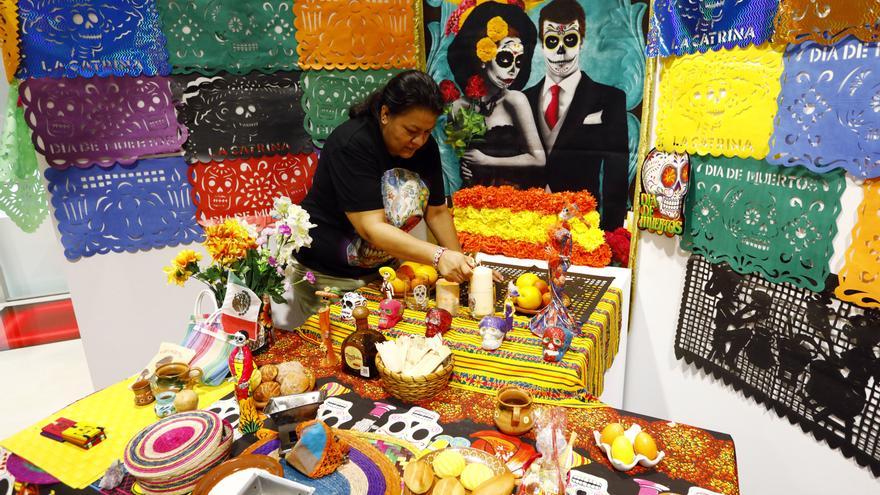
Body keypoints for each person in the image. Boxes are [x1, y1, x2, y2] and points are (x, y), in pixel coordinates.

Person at [292, 71, 478, 321]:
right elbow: (372, 228)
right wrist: (439, 256)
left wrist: (462, 267)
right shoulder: (352, 144)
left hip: (383, 275)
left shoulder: (426, 148)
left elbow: (436, 212)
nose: (419, 141)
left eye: (427, 132)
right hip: (327, 277)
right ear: (385, 114)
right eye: (411, 130)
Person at [524, 0, 629, 230]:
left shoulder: (609, 99)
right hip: (528, 227)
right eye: (552, 41)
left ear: (581, 42)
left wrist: (610, 233)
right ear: (542, 45)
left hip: (582, 227)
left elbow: (616, 173)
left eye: (569, 40)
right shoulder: (522, 100)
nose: (560, 50)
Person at [448, 1, 546, 189]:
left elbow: (539, 158)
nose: (513, 70)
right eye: (505, 58)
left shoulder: (515, 100)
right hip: (475, 195)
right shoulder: (458, 107)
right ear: (483, 57)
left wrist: (487, 160)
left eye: (518, 61)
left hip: (514, 195)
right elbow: (463, 157)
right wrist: (466, 168)